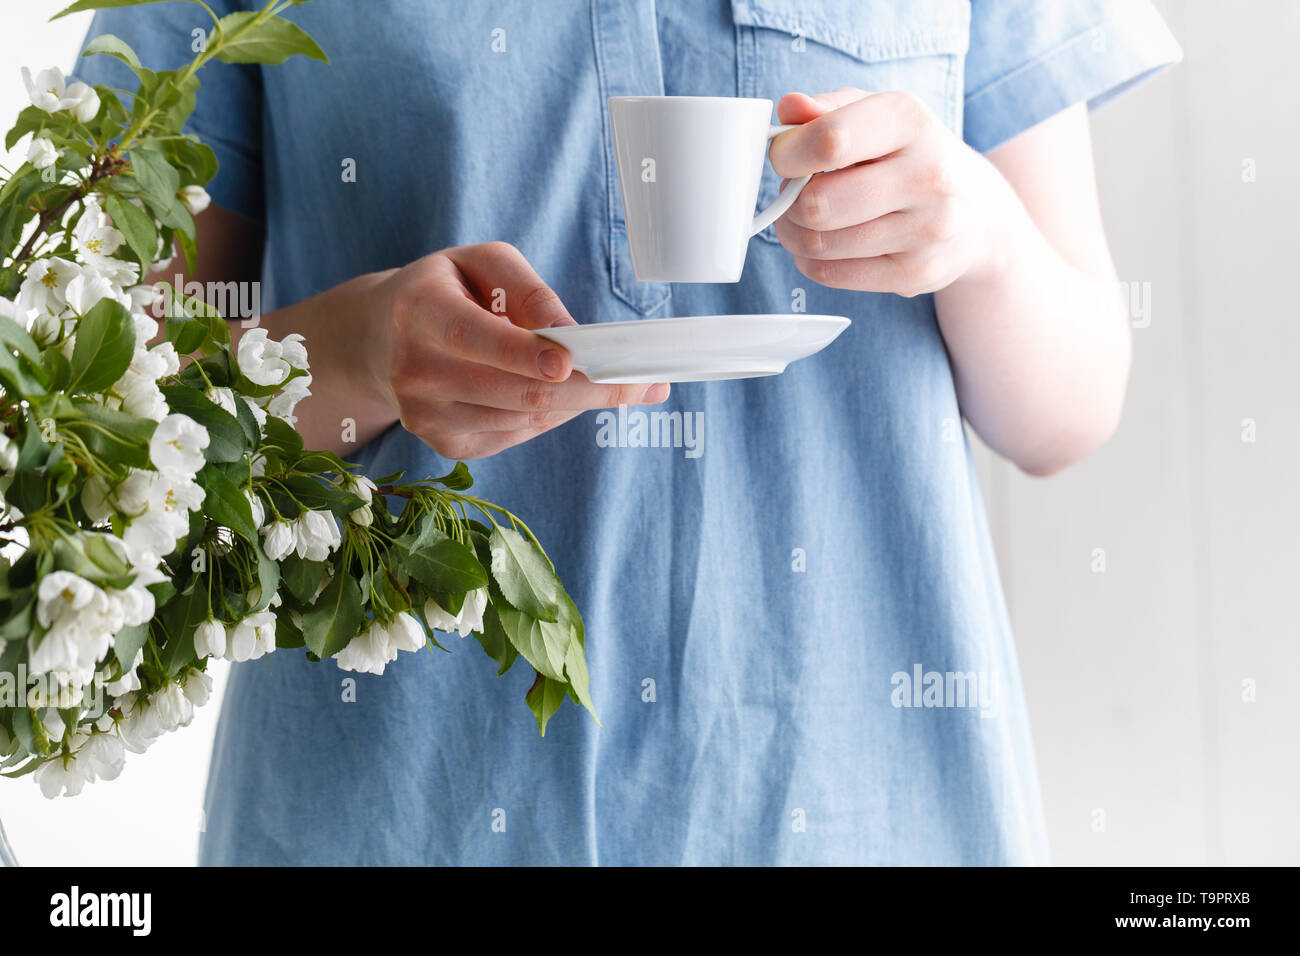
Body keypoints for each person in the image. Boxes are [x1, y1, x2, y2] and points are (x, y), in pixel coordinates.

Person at [77, 0, 1180, 865]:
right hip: (397, 812)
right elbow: (126, 420)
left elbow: (1068, 410)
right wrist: (361, 347)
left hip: (862, 804)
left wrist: (982, 232)